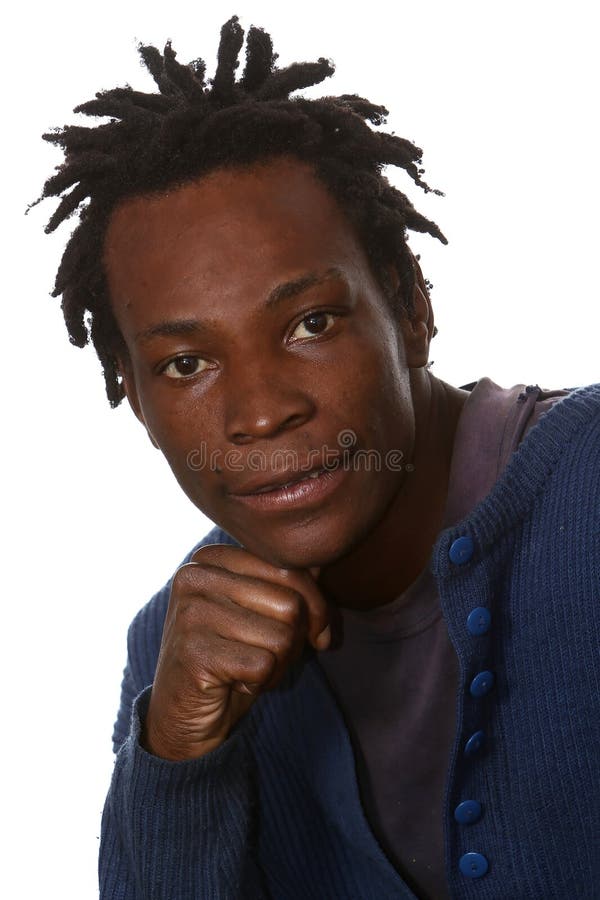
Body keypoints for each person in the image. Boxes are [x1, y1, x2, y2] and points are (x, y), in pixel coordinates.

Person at [38, 16, 599, 900]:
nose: (262, 412)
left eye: (310, 323)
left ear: (410, 307)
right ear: (134, 398)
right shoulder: (174, 650)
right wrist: (181, 755)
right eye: (187, 364)